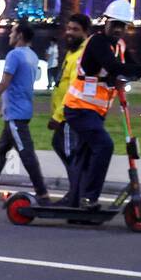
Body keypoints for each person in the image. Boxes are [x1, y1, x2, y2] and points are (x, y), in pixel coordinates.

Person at [61, 0, 141, 209]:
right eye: (115, 24)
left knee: (84, 156)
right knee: (104, 146)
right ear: (106, 22)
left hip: (95, 111)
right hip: (78, 108)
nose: (118, 29)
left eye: (123, 26)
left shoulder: (119, 46)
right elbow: (115, 67)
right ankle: (89, 199)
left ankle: (75, 202)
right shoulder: (97, 43)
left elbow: (130, 67)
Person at [0, 19, 52, 202]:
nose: (9, 35)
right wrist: (5, 107)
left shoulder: (14, 55)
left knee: (26, 152)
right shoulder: (31, 56)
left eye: (12, 32)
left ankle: (42, 192)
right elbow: (20, 85)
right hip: (19, 110)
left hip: (17, 115)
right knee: (2, 149)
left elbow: (4, 84)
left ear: (20, 35)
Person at [46, 14, 91, 195]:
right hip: (66, 115)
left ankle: (77, 194)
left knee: (72, 155)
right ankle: (78, 192)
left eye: (75, 30)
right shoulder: (72, 53)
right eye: (69, 28)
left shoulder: (80, 56)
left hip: (69, 117)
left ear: (86, 33)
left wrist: (58, 116)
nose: (69, 33)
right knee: (65, 149)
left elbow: (74, 89)